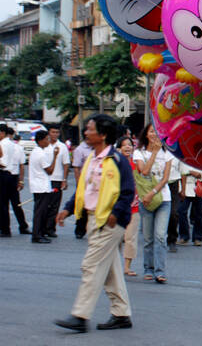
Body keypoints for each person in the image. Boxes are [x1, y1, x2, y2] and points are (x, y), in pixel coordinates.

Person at [54, 114, 134, 332]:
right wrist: (68, 209)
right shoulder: (91, 157)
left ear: (103, 135)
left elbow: (128, 191)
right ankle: (121, 314)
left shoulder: (117, 160)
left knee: (91, 265)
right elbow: (84, 188)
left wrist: (116, 214)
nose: (86, 132)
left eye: (90, 129)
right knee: (110, 270)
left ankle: (80, 315)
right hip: (93, 218)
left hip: (109, 223)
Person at [133, 125, 173, 283]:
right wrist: (154, 152)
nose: (154, 135)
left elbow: (165, 178)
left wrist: (153, 193)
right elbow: (144, 171)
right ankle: (148, 268)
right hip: (145, 200)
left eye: (157, 132)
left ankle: (160, 271)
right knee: (148, 237)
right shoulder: (139, 152)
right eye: (151, 132)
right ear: (146, 134)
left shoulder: (168, 153)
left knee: (160, 236)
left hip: (163, 198)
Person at [28, 128, 60, 243]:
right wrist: (55, 156)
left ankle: (39, 233)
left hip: (39, 185)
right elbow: (50, 170)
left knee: (41, 210)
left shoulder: (37, 152)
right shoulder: (40, 154)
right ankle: (37, 234)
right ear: (40, 141)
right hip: (41, 186)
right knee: (40, 212)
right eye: (46, 139)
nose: (48, 141)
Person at [117, 135, 140, 277]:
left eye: (130, 145)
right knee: (116, 238)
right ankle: (114, 265)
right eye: (124, 145)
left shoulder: (136, 165)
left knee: (130, 238)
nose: (127, 147)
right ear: (118, 148)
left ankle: (126, 267)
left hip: (134, 206)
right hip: (117, 207)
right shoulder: (114, 164)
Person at [0, 124, 29, 235]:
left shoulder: (2, 144)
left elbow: (3, 163)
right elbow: (20, 164)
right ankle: (22, 226)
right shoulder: (14, 145)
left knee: (3, 203)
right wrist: (20, 180)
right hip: (13, 176)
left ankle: (5, 229)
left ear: (2, 133)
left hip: (3, 174)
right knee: (15, 203)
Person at [45, 126, 71, 237]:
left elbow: (66, 164)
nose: (55, 134)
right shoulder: (44, 146)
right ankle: (42, 227)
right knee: (44, 205)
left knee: (54, 206)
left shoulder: (62, 147)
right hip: (45, 180)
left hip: (56, 179)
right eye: (53, 132)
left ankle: (50, 228)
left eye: (57, 132)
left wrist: (64, 180)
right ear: (49, 133)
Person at [176, 159, 202, 246]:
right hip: (186, 186)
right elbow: (182, 172)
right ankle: (184, 236)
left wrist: (199, 175)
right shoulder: (183, 157)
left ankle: (197, 238)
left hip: (199, 186)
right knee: (181, 211)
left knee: (199, 213)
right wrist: (182, 190)